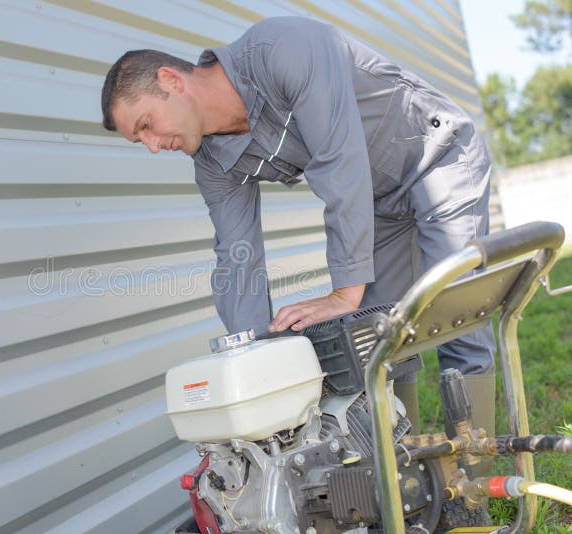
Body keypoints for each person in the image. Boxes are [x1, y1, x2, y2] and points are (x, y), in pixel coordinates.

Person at [100, 16, 496, 446]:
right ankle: (407, 475)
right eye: (141, 141)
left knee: (459, 321)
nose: (154, 146)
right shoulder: (212, 161)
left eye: (146, 125)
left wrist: (345, 293)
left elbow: (338, 162)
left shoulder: (284, 48)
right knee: (377, 343)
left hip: (437, 158)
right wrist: (250, 353)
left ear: (170, 80)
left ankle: (474, 475)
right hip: (377, 204)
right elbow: (237, 254)